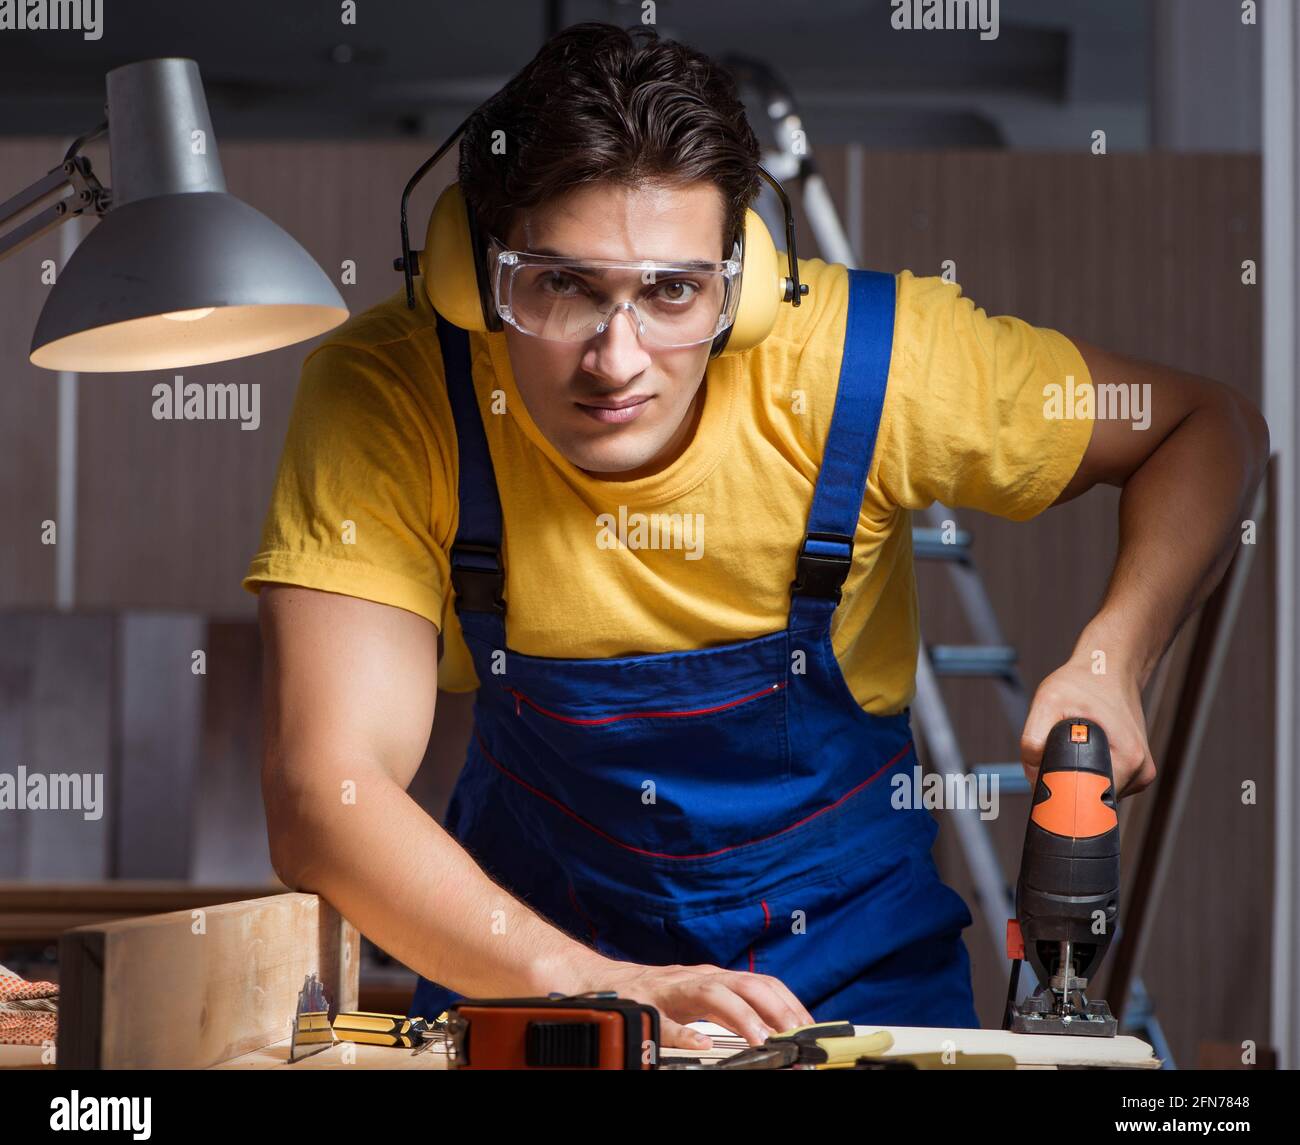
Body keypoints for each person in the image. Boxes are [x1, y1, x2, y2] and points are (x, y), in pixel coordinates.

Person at [243, 23, 1269, 1051]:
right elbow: (322, 791)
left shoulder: (871, 364)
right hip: (527, 969)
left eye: (673, 291)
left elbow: (1204, 426)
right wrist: (593, 985)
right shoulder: (395, 389)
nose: (618, 357)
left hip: (861, 977)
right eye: (562, 285)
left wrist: (1110, 660)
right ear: (473, 274)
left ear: (743, 284)